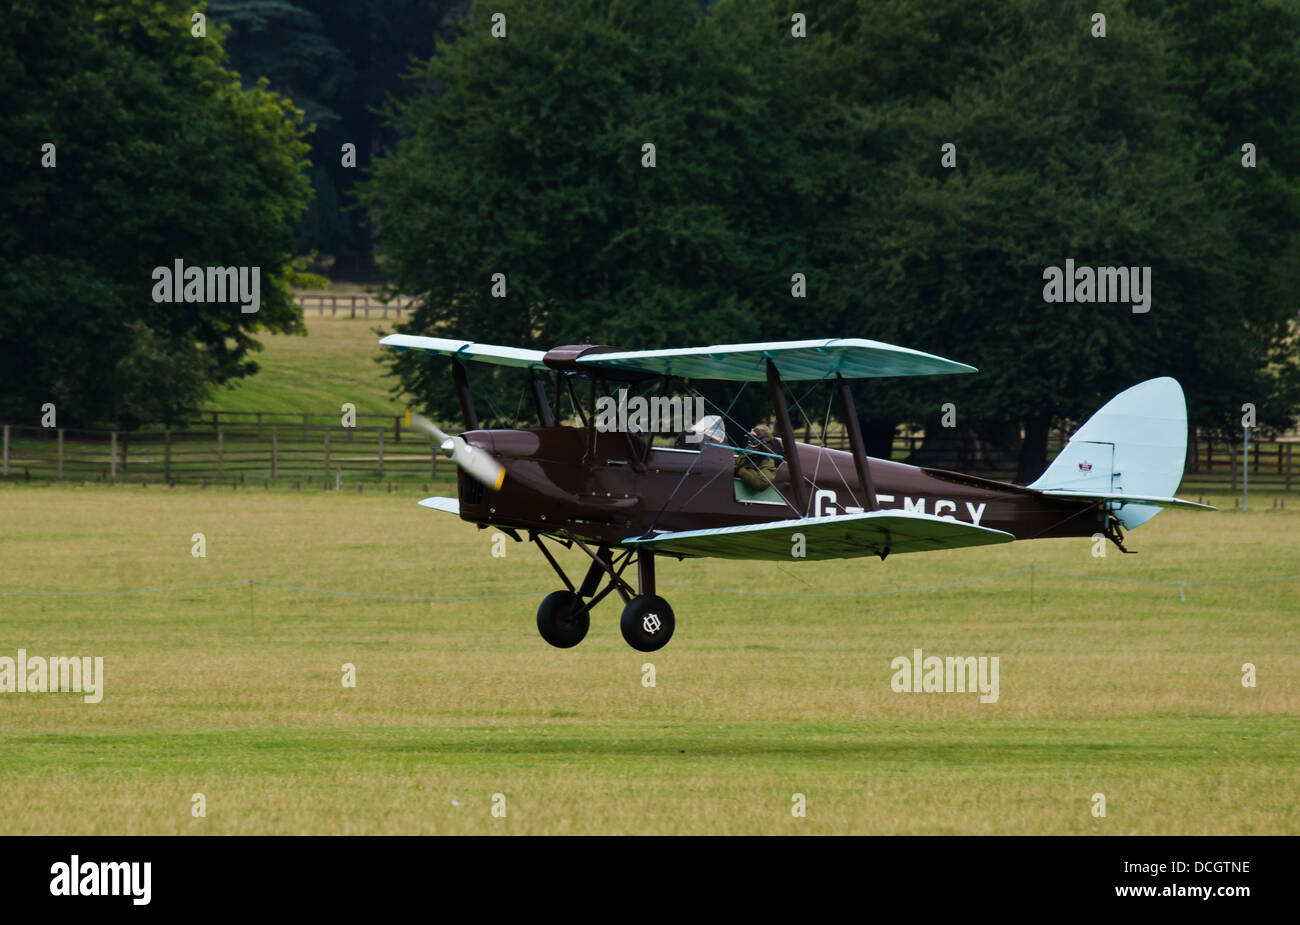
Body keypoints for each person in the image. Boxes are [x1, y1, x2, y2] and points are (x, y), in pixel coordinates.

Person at [735, 424, 782, 491]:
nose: (748, 445)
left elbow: (761, 483)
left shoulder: (768, 462)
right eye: (747, 440)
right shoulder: (744, 457)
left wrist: (740, 470)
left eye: (753, 443)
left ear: (762, 446)